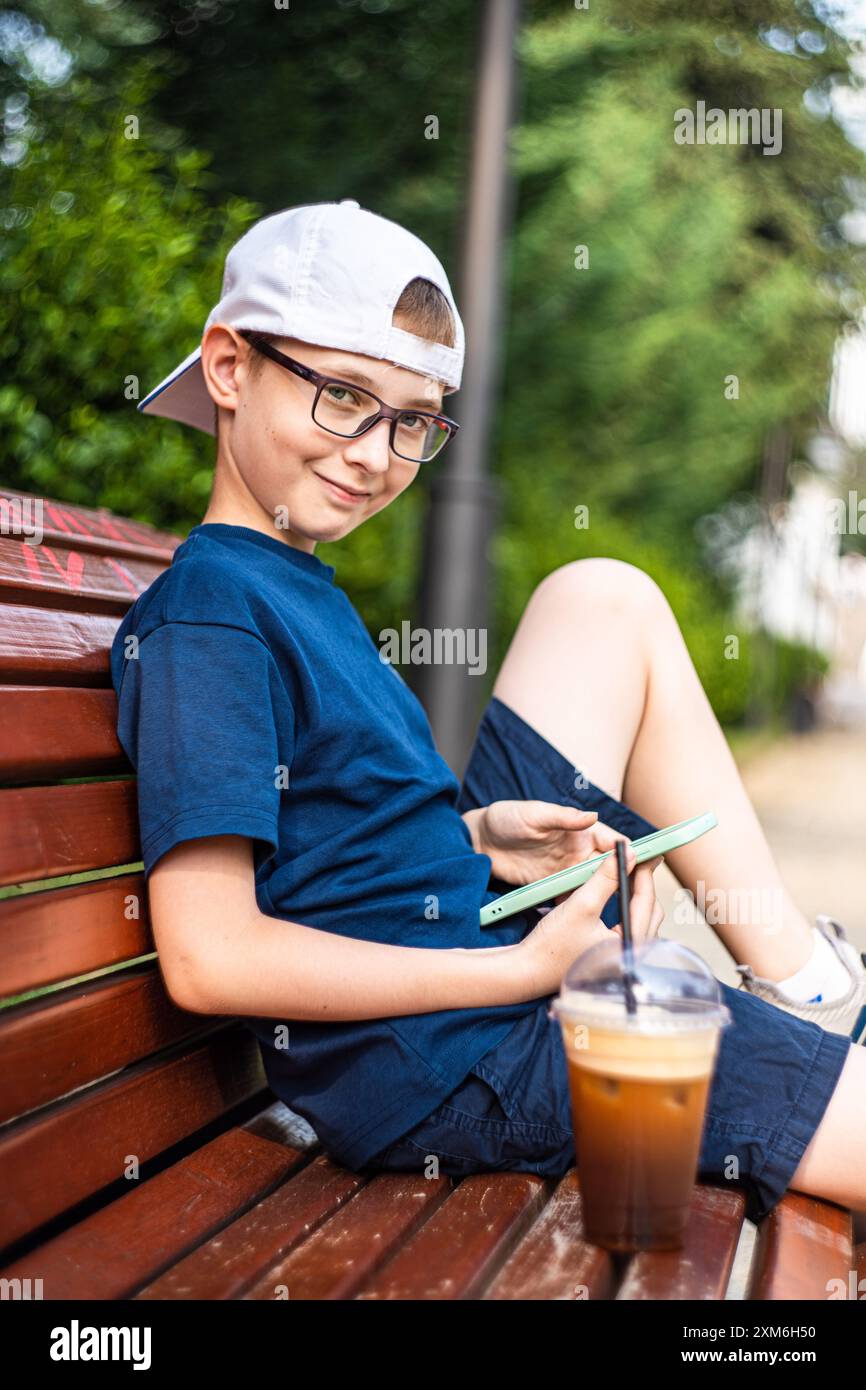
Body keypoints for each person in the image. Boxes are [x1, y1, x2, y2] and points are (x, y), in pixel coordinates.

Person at [112, 200, 866, 1228]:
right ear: (231, 368)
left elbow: (324, 845)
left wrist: (481, 835)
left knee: (599, 600)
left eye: (410, 420)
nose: (375, 454)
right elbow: (211, 956)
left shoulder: (287, 584)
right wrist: (520, 966)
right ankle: (816, 1008)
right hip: (452, 1060)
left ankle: (807, 986)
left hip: (469, 968)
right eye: (343, 397)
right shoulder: (214, 614)